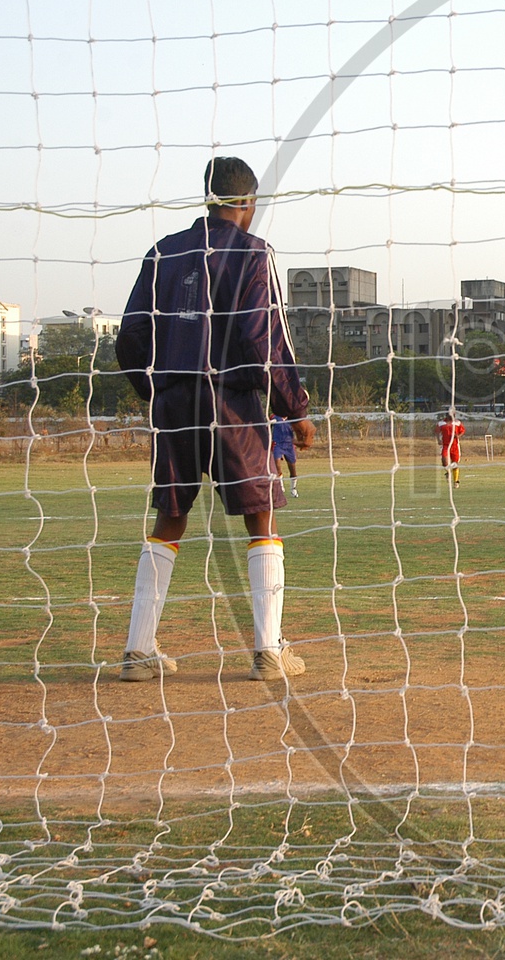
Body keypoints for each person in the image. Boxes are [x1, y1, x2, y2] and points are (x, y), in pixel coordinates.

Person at [114, 156, 316, 683]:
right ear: (248, 204)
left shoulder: (163, 252)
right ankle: (267, 651)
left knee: (170, 518)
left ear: (208, 198)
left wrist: (157, 390)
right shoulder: (254, 254)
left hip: (176, 402)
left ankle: (138, 652)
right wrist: (295, 408)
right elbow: (262, 337)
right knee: (261, 517)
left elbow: (130, 337)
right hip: (233, 403)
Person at [271, 414, 300, 498]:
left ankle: (293, 489)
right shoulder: (274, 417)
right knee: (277, 465)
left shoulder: (292, 417)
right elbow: (267, 427)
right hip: (277, 444)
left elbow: (298, 429)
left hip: (289, 445)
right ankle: (280, 487)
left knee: (292, 469)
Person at [437, 410, 465, 486]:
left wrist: (458, 436)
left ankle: (456, 481)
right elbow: (437, 432)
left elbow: (462, 431)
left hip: (455, 445)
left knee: (455, 463)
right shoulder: (441, 423)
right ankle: (448, 472)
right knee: (444, 461)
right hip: (445, 445)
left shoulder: (457, 423)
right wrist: (438, 439)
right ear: (448, 415)